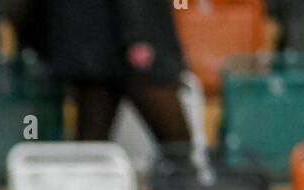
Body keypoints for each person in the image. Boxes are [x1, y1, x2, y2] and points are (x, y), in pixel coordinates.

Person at [15, 0, 191, 145]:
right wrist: (138, 38)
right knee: (178, 147)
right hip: (134, 52)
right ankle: (186, 186)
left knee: (91, 147)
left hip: (88, 48)